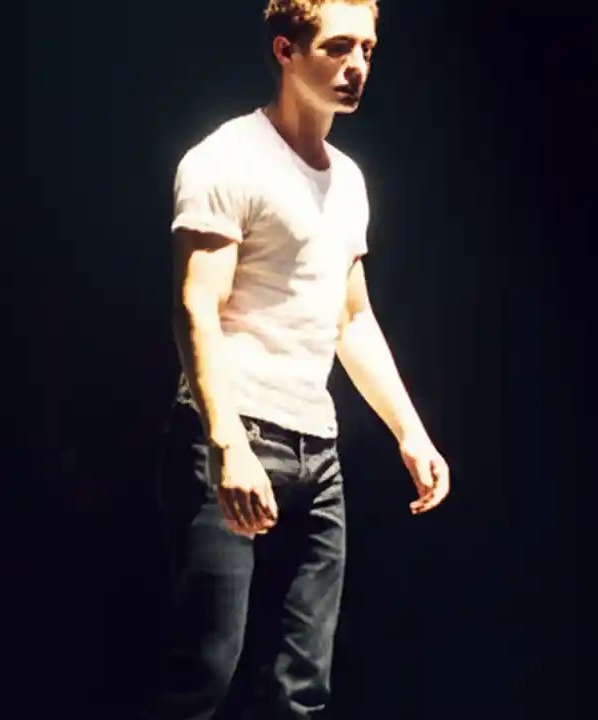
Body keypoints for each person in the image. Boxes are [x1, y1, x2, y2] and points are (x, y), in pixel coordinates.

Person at [141, 1, 451, 718]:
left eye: (367, 49)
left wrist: (410, 432)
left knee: (300, 687)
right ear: (286, 51)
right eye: (338, 47)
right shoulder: (227, 159)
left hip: (318, 452)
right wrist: (227, 445)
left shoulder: (348, 180)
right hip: (232, 435)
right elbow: (196, 306)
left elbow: (351, 317)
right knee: (204, 674)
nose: (357, 65)